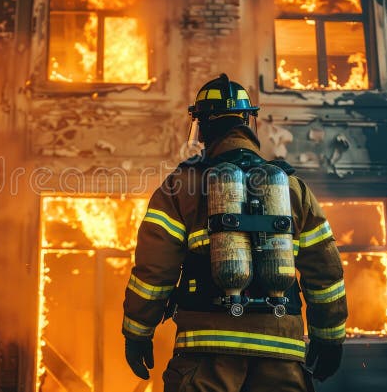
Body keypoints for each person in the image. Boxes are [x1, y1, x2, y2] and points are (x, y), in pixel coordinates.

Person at [122, 74, 347, 392]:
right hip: (282, 354)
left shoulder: (180, 187)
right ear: (248, 120)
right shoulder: (294, 188)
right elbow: (325, 274)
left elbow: (153, 272)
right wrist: (330, 338)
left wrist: (137, 331)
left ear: (200, 126)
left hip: (205, 354)